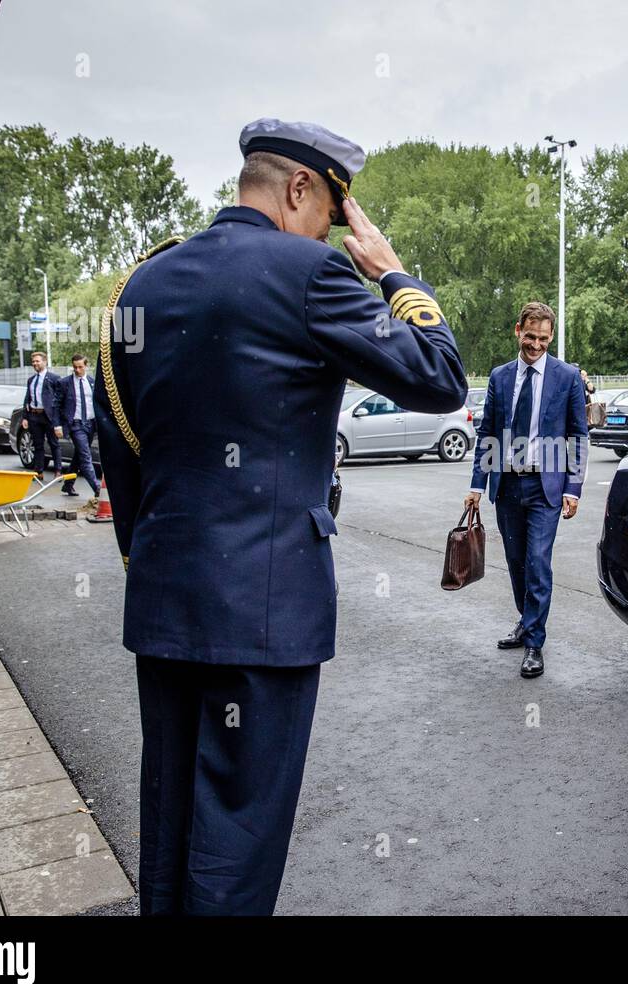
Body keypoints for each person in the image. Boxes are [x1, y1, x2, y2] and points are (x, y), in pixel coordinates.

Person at [94, 118, 467, 915]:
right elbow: (441, 378)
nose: (333, 227)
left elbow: (119, 446)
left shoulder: (142, 283)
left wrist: (148, 557)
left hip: (163, 600)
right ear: (300, 187)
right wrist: (395, 275)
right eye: (332, 210)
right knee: (236, 838)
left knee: (168, 829)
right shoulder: (309, 274)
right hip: (265, 611)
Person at [464, 303, 588, 679]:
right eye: (530, 336)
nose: (536, 344)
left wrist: (574, 487)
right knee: (517, 562)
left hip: (545, 487)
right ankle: (525, 619)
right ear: (518, 331)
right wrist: (475, 484)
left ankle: (534, 642)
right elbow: (487, 432)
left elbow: (578, 436)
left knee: (537, 562)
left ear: (550, 338)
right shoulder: (500, 377)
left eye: (543, 339)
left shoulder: (566, 377)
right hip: (507, 485)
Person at [56, 354, 100, 498]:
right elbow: (56, 405)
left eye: (80, 367)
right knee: (85, 457)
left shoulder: (93, 382)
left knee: (79, 456)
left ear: (86, 366)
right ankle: (97, 489)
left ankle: (68, 485)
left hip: (90, 424)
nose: (77, 370)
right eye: (75, 367)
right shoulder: (65, 383)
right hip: (75, 425)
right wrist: (57, 425)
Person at [20, 351, 62, 478]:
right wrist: (25, 417)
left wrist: (57, 420)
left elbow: (59, 399)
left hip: (48, 416)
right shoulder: (31, 380)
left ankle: (58, 470)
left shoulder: (54, 378)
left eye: (37, 361)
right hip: (34, 415)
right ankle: (38, 471)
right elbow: (27, 398)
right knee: (37, 444)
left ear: (45, 362)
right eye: (33, 362)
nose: (35, 364)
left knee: (54, 443)